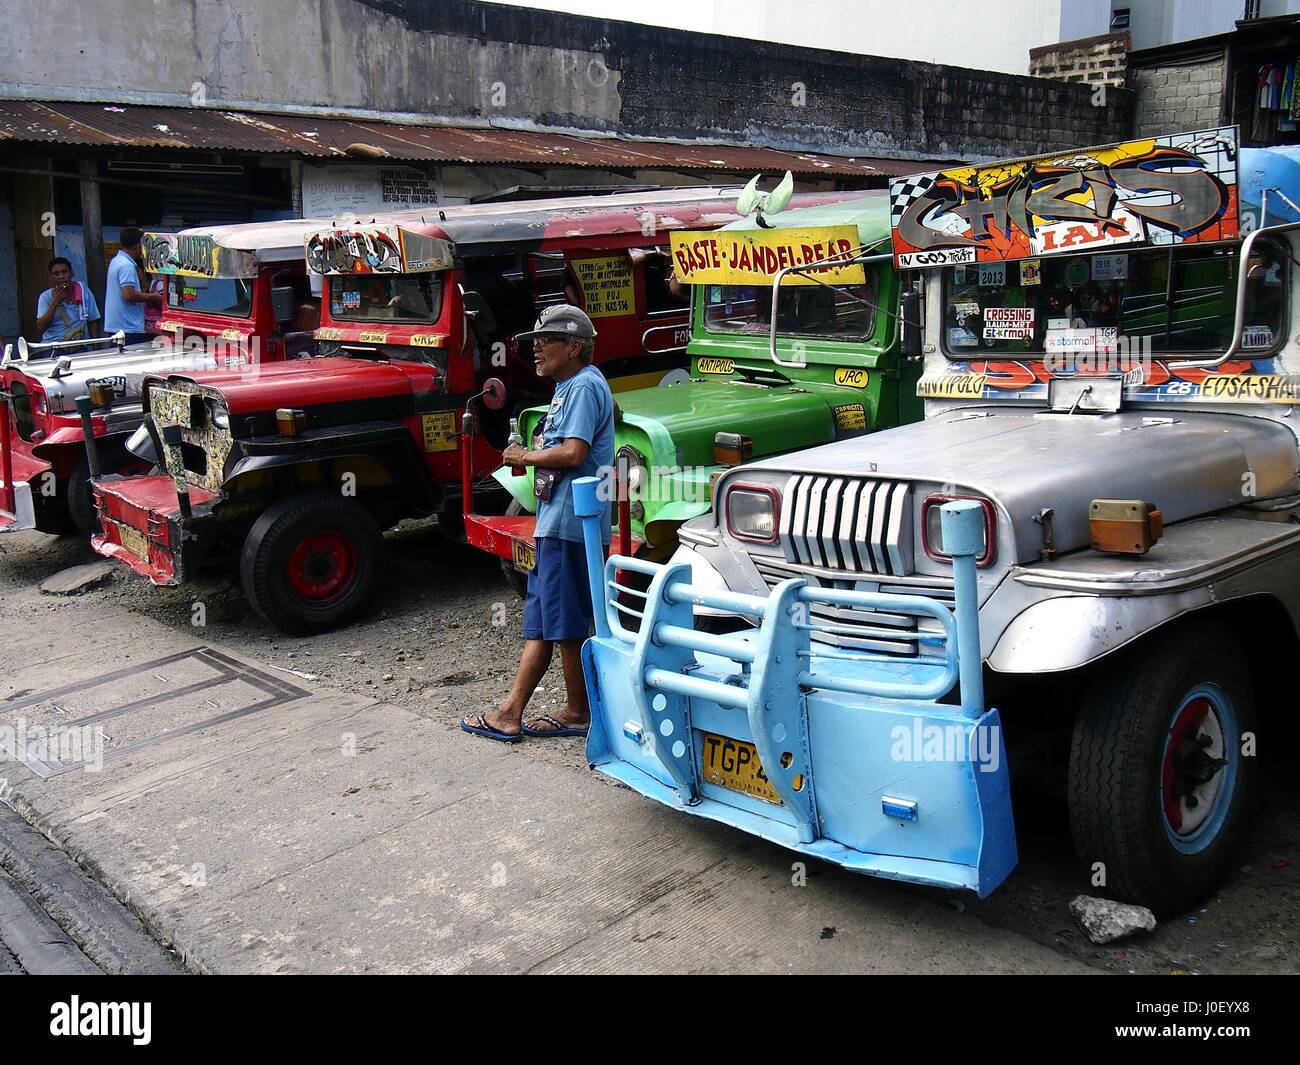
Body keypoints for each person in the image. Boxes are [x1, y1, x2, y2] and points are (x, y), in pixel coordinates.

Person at [462, 304, 614, 743]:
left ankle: (576, 711)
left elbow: (573, 453)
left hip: (570, 519)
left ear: (575, 346)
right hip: (559, 519)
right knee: (544, 619)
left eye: (545, 341)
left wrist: (524, 456)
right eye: (534, 343)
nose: (536, 350)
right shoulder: (576, 386)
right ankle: (511, 712)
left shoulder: (583, 386)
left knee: (561, 621)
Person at [103, 227, 162, 344]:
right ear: (137, 247)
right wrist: (153, 297)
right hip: (127, 327)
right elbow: (129, 295)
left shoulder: (116, 260)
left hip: (119, 325)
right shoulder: (126, 265)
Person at [34, 257, 100, 343]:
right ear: (51, 277)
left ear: (72, 273)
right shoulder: (45, 296)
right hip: (53, 346)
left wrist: (95, 348)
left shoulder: (84, 292)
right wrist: (54, 303)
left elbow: (93, 321)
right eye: (56, 274)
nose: (61, 277)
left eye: (64, 272)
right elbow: (40, 327)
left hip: (79, 344)